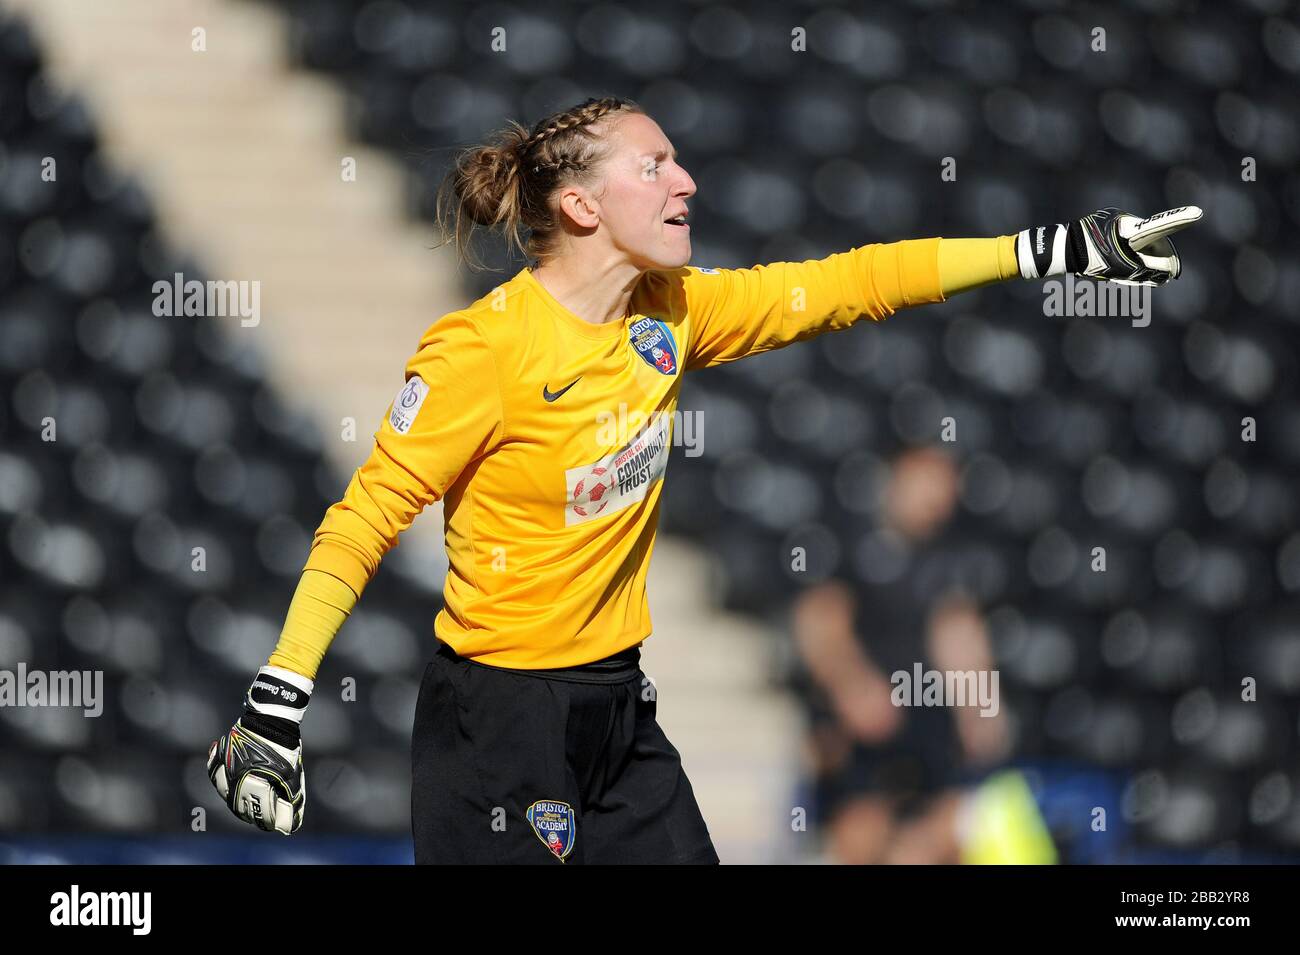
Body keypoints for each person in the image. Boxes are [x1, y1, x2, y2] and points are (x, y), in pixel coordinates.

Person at [204, 95, 1200, 864]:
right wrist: (279, 700)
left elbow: (852, 282)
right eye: (656, 165)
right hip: (497, 725)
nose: (687, 182)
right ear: (581, 204)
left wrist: (1046, 250)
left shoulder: (671, 311)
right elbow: (367, 513)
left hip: (617, 711)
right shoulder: (481, 351)